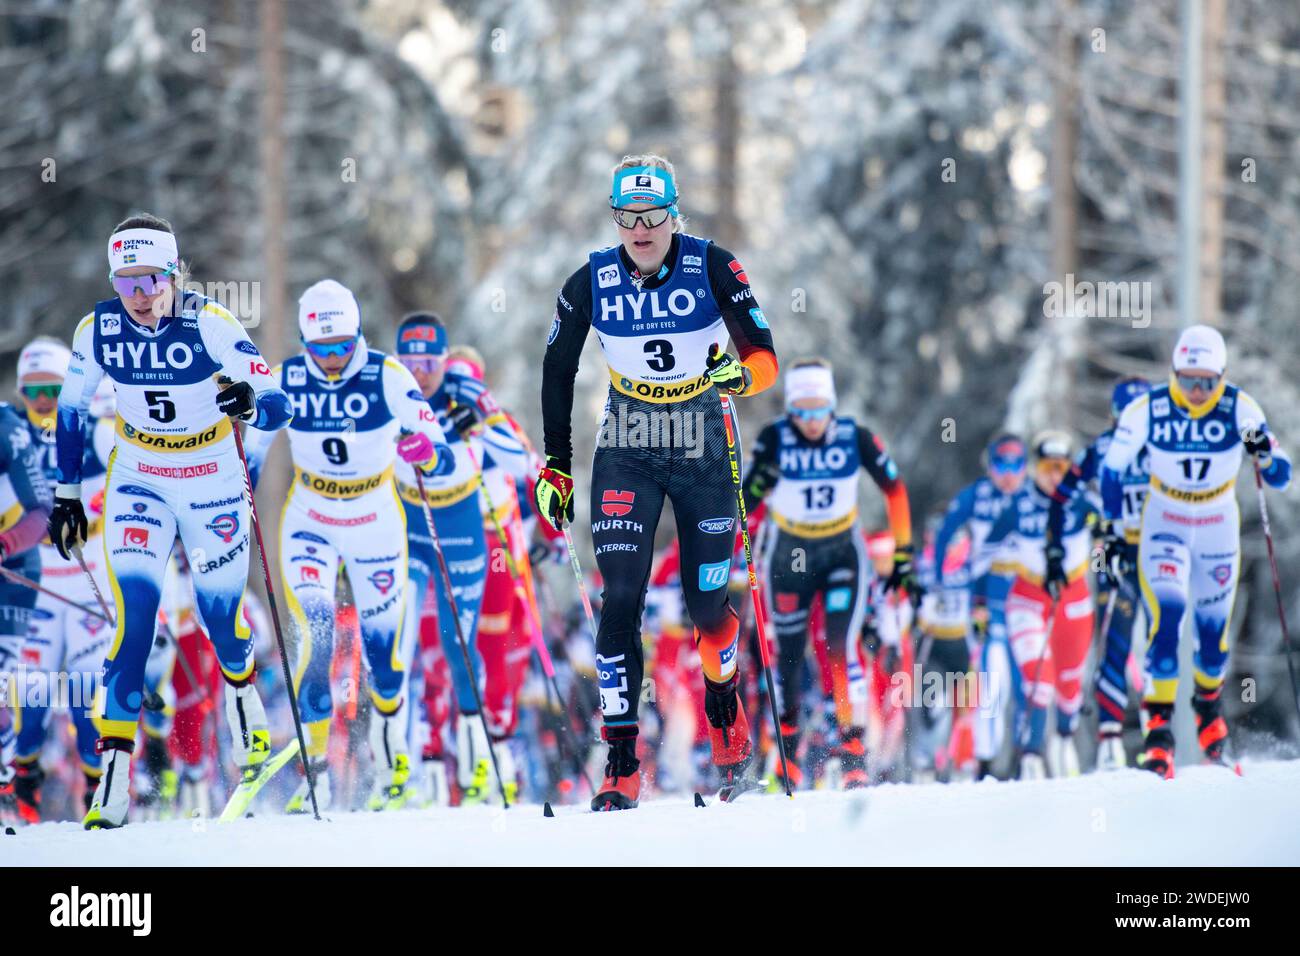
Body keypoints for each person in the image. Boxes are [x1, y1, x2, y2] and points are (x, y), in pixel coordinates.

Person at [536, 154, 778, 809]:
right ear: (615, 218)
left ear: (674, 213)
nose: (640, 230)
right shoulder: (591, 278)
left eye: (652, 216)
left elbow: (763, 353)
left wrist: (739, 377)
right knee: (621, 598)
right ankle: (620, 761)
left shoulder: (713, 264)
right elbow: (557, 369)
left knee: (706, 608)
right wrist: (555, 464)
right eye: (627, 217)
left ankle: (724, 709)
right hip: (629, 444)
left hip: (701, 442)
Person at [49, 212, 293, 828]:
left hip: (210, 476)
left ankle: (246, 710)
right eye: (124, 281)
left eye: (151, 280)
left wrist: (250, 403)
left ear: (174, 274)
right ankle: (114, 779)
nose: (138, 296)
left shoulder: (210, 323)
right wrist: (67, 493)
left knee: (218, 618)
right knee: (135, 624)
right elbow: (72, 409)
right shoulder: (97, 329)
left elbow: (276, 400)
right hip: (139, 476)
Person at [242, 279, 452, 812]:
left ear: (358, 334)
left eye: (343, 347)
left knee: (383, 654)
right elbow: (256, 448)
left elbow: (441, 455)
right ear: (305, 342)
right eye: (322, 349)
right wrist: (240, 480)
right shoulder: (286, 378)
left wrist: (424, 450)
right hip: (310, 513)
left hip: (374, 514)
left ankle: (392, 757)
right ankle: (313, 768)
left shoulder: (388, 374)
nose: (334, 360)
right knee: (315, 635)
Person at [1100, 325, 1291, 778]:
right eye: (1189, 381)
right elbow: (1111, 470)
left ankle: (1208, 714)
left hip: (1216, 524)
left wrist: (1264, 454)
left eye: (1209, 382)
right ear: (1173, 375)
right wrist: (1111, 529)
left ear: (1222, 377)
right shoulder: (1149, 407)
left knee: (1212, 636)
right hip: (1165, 518)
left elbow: (1281, 476)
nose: (1199, 392)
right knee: (1166, 619)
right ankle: (1159, 734)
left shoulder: (1239, 406)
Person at [741, 359, 915, 789]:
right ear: (790, 410)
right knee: (791, 655)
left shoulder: (855, 437)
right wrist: (756, 485)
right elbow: (746, 500)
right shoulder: (775, 439)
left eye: (821, 410)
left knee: (840, 646)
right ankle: (788, 747)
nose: (813, 421)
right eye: (803, 411)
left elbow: (894, 489)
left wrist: (904, 554)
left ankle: (852, 749)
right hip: (789, 555)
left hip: (841, 553)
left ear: (832, 407)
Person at [391, 313, 520, 804]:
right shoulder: (408, 401)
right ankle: (420, 761)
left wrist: (539, 532)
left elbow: (519, 484)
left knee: (481, 649)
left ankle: (488, 757)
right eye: (413, 362)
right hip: (424, 540)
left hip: (488, 553)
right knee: (422, 648)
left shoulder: (478, 411)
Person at [974, 431, 1097, 779]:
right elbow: (983, 552)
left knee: (1069, 685)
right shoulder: (1019, 504)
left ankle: (1063, 740)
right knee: (1037, 679)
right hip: (1028, 597)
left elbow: (1105, 533)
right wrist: (980, 599)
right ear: (1035, 468)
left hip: (1072, 597)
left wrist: (1107, 560)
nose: (1054, 476)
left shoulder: (1083, 501)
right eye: (1047, 468)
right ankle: (1030, 754)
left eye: (1061, 467)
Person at [1045, 377, 1151, 770]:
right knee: (1115, 638)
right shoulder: (1100, 449)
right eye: (1126, 421)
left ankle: (1162, 730)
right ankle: (1110, 738)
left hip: (1157, 549)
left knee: (1158, 640)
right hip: (1112, 552)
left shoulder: (1166, 443)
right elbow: (1061, 496)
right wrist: (1056, 550)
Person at [933, 433, 1027, 778]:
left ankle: (1025, 756)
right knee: (990, 681)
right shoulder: (977, 495)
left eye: (1016, 465)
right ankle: (985, 763)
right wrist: (942, 580)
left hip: (1026, 597)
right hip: (986, 599)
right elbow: (945, 534)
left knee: (1025, 681)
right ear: (990, 466)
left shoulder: (1033, 496)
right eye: (1001, 464)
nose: (1008, 473)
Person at [0, 393, 54, 823]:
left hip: (12, 568)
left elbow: (41, 510)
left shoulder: (9, 430)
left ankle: (4, 784)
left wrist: (6, 545)